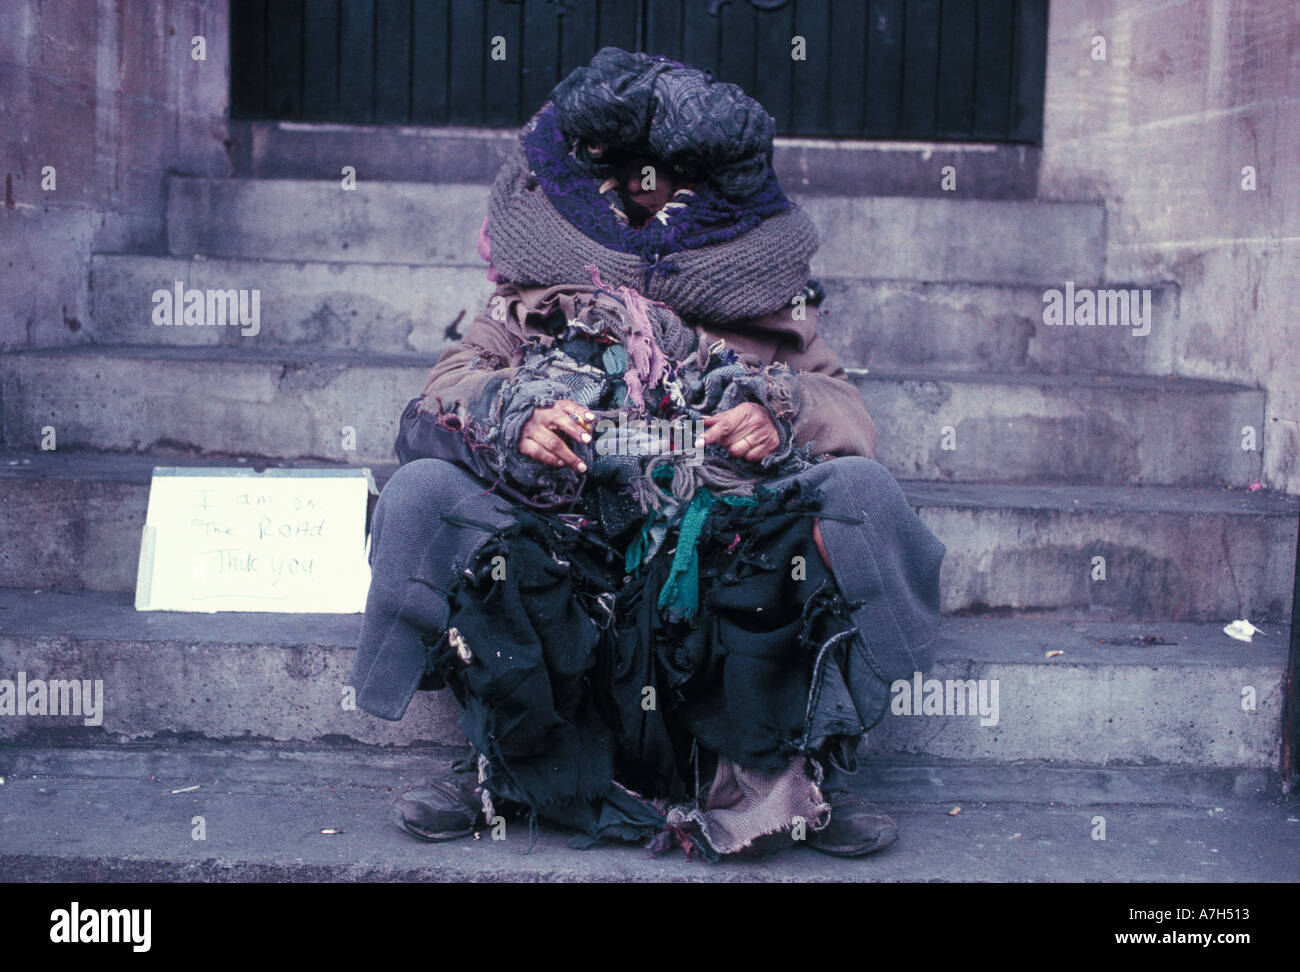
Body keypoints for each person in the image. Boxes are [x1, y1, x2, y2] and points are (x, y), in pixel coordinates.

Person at [347, 48, 945, 860]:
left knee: (860, 490)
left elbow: (848, 412)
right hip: (569, 547)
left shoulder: (768, 309)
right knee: (423, 489)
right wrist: (510, 413)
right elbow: (445, 389)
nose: (651, 193)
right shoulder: (530, 298)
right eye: (632, 177)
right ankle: (508, 767)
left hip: (718, 548)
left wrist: (782, 408)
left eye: (673, 180)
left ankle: (799, 776)